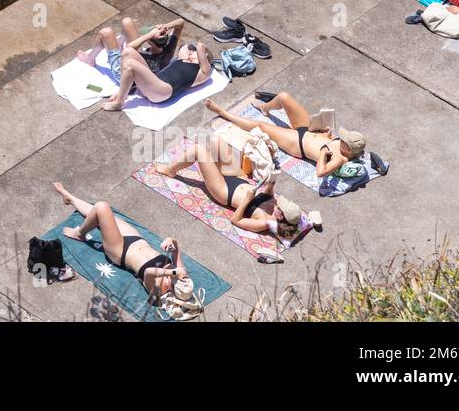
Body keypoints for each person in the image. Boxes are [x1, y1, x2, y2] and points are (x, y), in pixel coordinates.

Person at [53, 182, 198, 309]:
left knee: (102, 208)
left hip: (120, 251)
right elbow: (176, 249)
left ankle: (79, 233)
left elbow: (148, 273)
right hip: (136, 240)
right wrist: (171, 241)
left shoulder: (160, 291)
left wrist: (172, 272)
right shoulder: (181, 274)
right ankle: (70, 198)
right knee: (103, 214)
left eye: (181, 282)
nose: (183, 279)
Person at [155, 135, 305, 237]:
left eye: (281, 208)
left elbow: (235, 220)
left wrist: (247, 200)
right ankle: (211, 167)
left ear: (280, 216)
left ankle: (171, 170)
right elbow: (269, 195)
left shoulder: (263, 222)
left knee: (198, 150)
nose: (279, 204)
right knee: (216, 141)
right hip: (240, 179)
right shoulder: (275, 205)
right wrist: (272, 181)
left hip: (225, 191)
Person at [206, 93, 368, 178]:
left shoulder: (340, 158)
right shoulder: (345, 147)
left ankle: (223, 113)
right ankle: (265, 107)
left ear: (347, 149)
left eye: (343, 140)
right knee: (284, 97)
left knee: (261, 126)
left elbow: (320, 172)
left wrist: (323, 153)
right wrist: (326, 133)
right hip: (310, 129)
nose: (341, 139)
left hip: (297, 143)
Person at [102, 39, 212, 112]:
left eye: (196, 53)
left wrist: (201, 50)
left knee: (130, 64)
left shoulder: (201, 73)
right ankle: (124, 91)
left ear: (204, 58)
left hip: (163, 91)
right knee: (128, 51)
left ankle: (119, 103)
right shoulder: (182, 58)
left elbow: (201, 48)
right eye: (192, 52)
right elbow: (185, 46)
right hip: (154, 81)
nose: (192, 53)